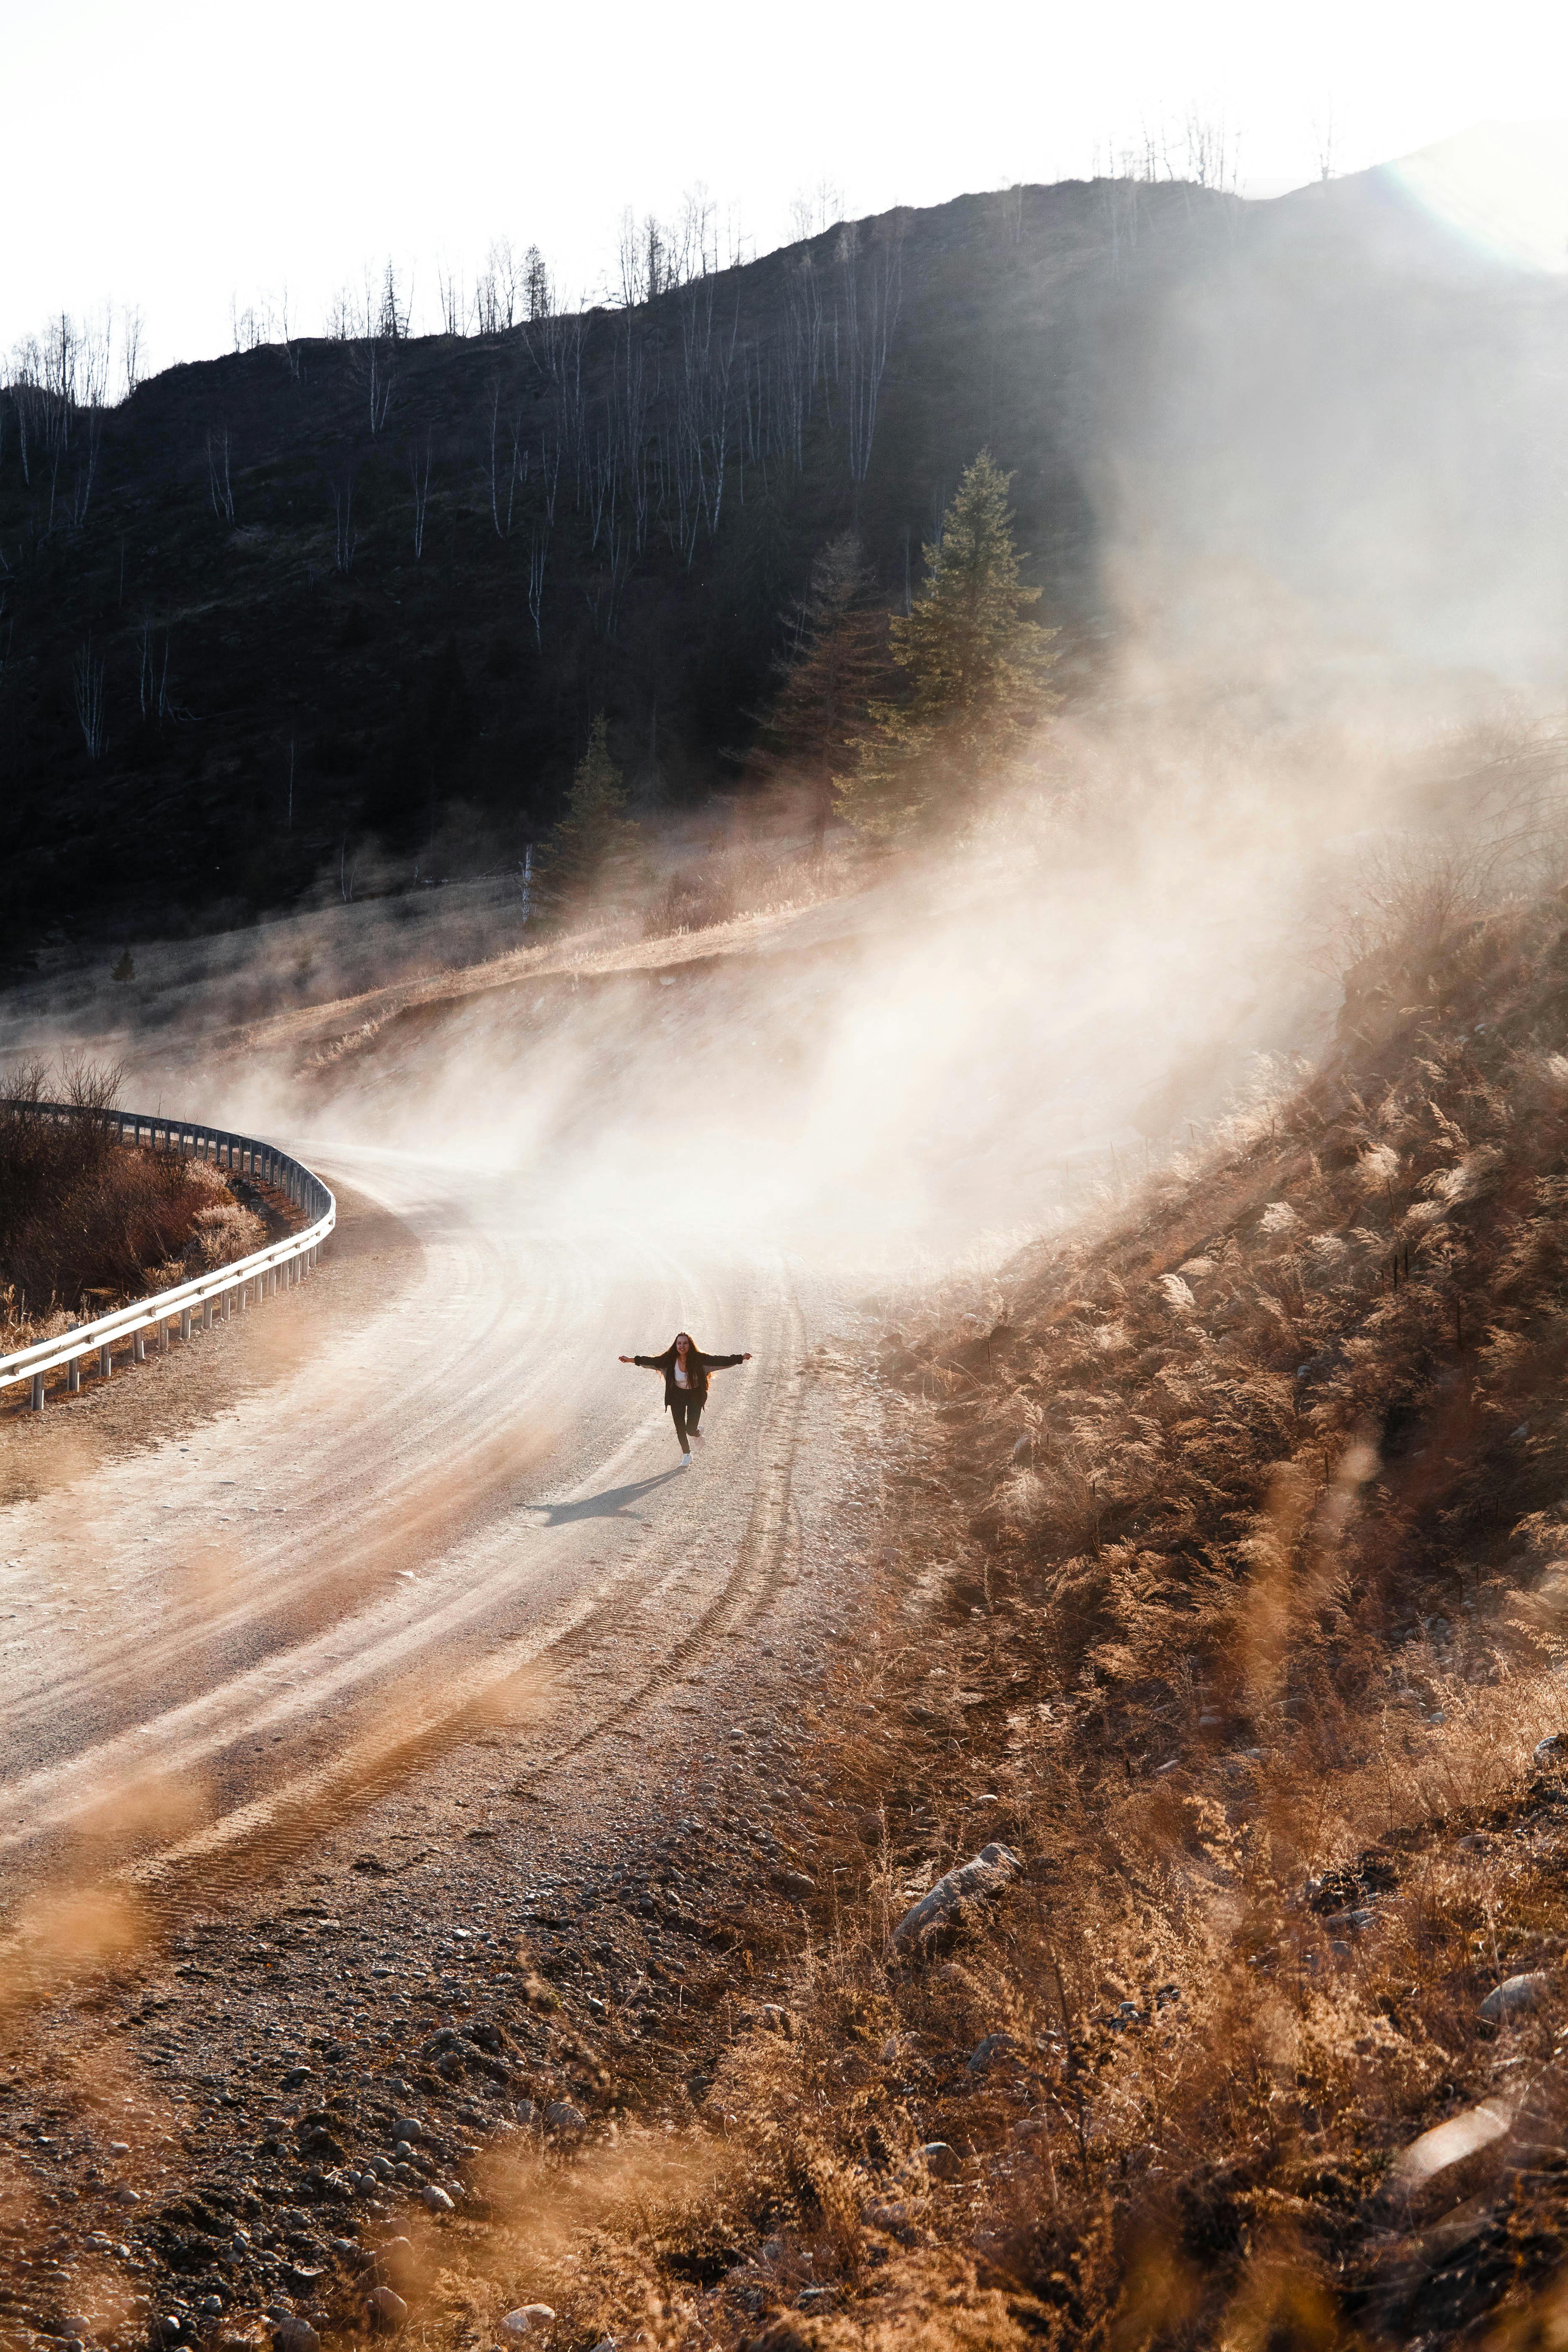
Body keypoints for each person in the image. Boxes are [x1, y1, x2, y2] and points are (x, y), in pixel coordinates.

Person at [619, 1331, 752, 1463]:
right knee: (680, 1428)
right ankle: (687, 1455)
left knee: (690, 1429)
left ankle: (697, 1432)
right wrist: (630, 1359)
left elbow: (722, 1361)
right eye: (679, 1343)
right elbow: (651, 1361)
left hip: (695, 1396)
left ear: (690, 1345)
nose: (682, 1346)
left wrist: (741, 1358)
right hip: (677, 1396)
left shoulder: (700, 1360)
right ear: (676, 1346)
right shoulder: (669, 1361)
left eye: (685, 1343)